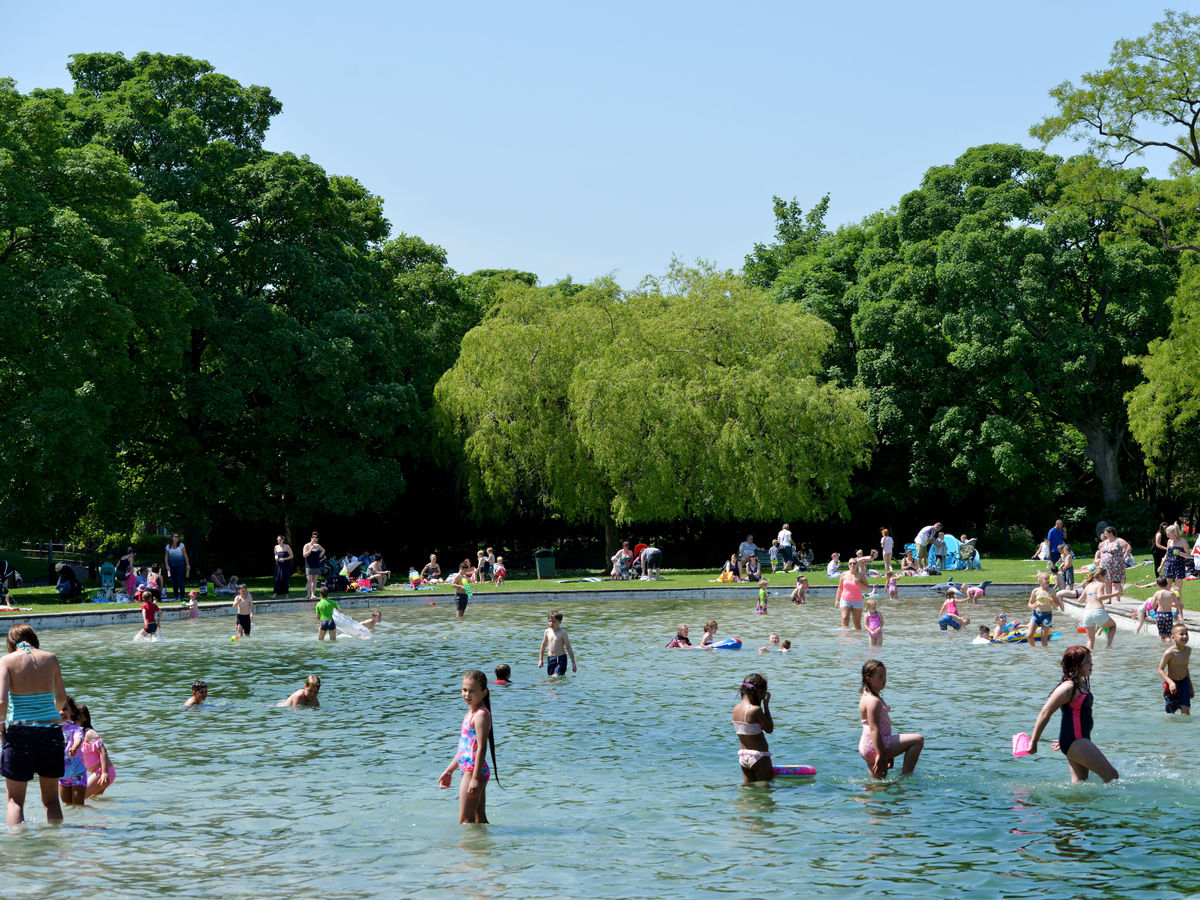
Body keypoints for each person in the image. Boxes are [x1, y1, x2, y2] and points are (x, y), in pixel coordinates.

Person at [0, 624, 69, 824]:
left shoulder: (6, 661)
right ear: (34, 639)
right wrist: (56, 714)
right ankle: (56, 847)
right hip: (51, 733)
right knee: (52, 801)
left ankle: (20, 851)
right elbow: (61, 697)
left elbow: (1, 702)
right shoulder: (50, 658)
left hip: (20, 732)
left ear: (11, 644)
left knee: (15, 801)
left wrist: (1, 728)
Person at [1027, 646, 1118, 783]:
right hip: (1076, 740)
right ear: (1076, 665)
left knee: (1080, 786)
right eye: (1088, 661)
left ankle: (1073, 805)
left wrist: (1067, 738)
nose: (1091, 664)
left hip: (1076, 740)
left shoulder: (1081, 683)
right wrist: (1033, 742)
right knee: (1112, 776)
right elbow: (1045, 713)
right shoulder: (1068, 687)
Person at [437, 669, 498, 824]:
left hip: (473, 772)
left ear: (484, 693)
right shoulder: (470, 713)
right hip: (470, 770)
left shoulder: (481, 715)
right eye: (464, 690)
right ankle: (485, 848)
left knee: (465, 821)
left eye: (472, 691)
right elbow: (465, 750)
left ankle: (466, 848)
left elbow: (482, 748)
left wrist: (475, 779)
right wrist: (449, 770)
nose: (467, 695)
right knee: (479, 820)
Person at [858, 660, 923, 779]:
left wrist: (888, 755)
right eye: (880, 677)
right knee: (918, 740)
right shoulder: (873, 701)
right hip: (876, 745)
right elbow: (874, 729)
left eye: (885, 676)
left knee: (877, 785)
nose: (884, 680)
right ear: (868, 679)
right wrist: (881, 754)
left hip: (867, 745)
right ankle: (905, 778)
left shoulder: (866, 696)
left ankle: (866, 797)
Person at [732, 673, 773, 783]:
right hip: (759, 757)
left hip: (743, 757)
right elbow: (769, 729)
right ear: (759, 692)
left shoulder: (736, 708)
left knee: (748, 793)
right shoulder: (755, 710)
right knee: (765, 793)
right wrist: (766, 706)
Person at [1068, 568, 1120, 652]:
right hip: (1098, 611)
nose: (1105, 579)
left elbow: (1080, 601)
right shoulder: (1100, 584)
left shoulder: (1088, 586)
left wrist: (1090, 597)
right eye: (1105, 577)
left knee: (1090, 640)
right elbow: (1100, 597)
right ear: (1100, 576)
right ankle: (1108, 647)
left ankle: (1089, 657)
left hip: (1087, 613)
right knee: (1113, 626)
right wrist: (1115, 594)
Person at [77, 704, 115, 798]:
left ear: (84, 718)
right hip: (99, 772)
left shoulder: (90, 733)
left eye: (76, 717)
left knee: (80, 797)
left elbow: (103, 751)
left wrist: (104, 773)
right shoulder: (81, 734)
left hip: (103, 772)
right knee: (93, 800)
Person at [57, 696, 87, 807]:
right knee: (67, 805)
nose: (61, 712)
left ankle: (80, 824)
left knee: (78, 806)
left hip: (77, 773)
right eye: (58, 709)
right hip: (62, 775)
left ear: (72, 711)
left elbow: (78, 739)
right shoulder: (52, 730)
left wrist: (74, 747)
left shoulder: (76, 728)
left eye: (65, 709)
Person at [1158, 623, 1192, 715]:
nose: (1185, 636)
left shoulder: (1188, 650)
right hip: (1172, 684)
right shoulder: (1169, 653)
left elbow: (1186, 668)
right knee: (1171, 712)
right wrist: (1170, 682)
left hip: (1184, 683)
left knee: (1186, 712)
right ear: (1173, 637)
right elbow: (1160, 670)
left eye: (1186, 634)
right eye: (1181, 634)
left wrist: (1190, 686)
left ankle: (1185, 729)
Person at [1027, 572, 1064, 647]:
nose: (1048, 581)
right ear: (1040, 580)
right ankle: (1034, 649)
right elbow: (1029, 603)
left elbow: (1056, 606)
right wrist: (1033, 606)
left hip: (1047, 615)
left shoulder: (1051, 591)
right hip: (1036, 614)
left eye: (1049, 579)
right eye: (1046, 579)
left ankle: (1045, 655)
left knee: (1044, 639)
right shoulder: (1036, 591)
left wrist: (1052, 601)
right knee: (1029, 636)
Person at [537, 610, 577, 675]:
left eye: (554, 621)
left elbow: (568, 647)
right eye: (550, 621)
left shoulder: (563, 633)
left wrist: (573, 663)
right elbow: (543, 645)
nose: (551, 623)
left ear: (560, 622)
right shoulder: (547, 632)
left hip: (560, 659)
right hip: (550, 659)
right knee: (551, 677)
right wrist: (540, 659)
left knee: (555, 676)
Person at [1097, 526, 1131, 597]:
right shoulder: (1105, 542)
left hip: (1116, 565)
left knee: (1116, 582)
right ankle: (1108, 599)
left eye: (1106, 533)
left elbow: (1128, 547)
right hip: (1105, 565)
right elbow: (1101, 551)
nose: (1105, 535)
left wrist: (1124, 557)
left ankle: (1118, 599)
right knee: (1107, 582)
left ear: (1111, 533)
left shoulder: (1118, 540)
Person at [835, 557, 869, 630]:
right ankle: (845, 637)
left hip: (857, 601)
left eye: (854, 563)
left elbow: (866, 588)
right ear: (848, 565)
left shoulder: (861, 575)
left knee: (857, 623)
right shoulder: (843, 575)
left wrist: (859, 583)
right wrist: (837, 600)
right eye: (850, 563)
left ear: (857, 565)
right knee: (845, 619)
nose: (852, 565)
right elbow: (840, 588)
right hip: (845, 600)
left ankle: (857, 638)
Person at [1160, 524, 1190, 601]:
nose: (1167, 536)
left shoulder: (1183, 541)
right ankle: (1167, 606)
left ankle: (1178, 608)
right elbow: (1167, 554)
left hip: (1179, 566)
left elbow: (1189, 556)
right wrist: (1161, 566)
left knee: (1178, 589)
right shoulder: (1169, 541)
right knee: (1167, 587)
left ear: (1174, 533)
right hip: (1169, 565)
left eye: (1168, 534)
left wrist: (1180, 553)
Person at [1149, 576, 1184, 641]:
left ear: (1158, 585)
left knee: (1162, 635)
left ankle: (1162, 649)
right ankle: (1168, 647)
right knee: (1168, 635)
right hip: (1168, 615)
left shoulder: (1157, 593)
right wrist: (1174, 601)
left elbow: (1152, 605)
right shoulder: (1172, 593)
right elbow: (1178, 604)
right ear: (1167, 584)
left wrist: (1157, 602)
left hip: (1159, 615)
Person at [163, 533, 190, 602]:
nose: (177, 538)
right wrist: (167, 565)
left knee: (180, 581)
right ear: (172, 537)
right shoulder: (168, 546)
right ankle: (176, 596)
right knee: (174, 582)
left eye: (178, 537)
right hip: (172, 566)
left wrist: (187, 564)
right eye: (175, 537)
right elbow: (166, 557)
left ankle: (182, 596)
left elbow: (185, 555)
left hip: (181, 566)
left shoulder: (181, 545)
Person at [302, 532, 325, 601]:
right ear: (311, 538)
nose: (315, 539)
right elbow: (304, 555)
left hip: (316, 565)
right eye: (314, 538)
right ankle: (308, 594)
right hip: (309, 565)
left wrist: (321, 553)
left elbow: (323, 550)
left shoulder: (318, 546)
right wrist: (310, 549)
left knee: (314, 581)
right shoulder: (306, 545)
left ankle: (313, 594)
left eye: (316, 538)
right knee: (309, 580)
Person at [273, 535, 293, 599]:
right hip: (278, 565)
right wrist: (275, 557)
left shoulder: (287, 546)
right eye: (278, 540)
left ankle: (286, 595)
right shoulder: (276, 547)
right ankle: (274, 595)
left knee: (284, 579)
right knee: (277, 579)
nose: (279, 541)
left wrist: (284, 559)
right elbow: (275, 554)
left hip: (285, 566)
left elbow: (291, 556)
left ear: (283, 540)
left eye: (280, 540)